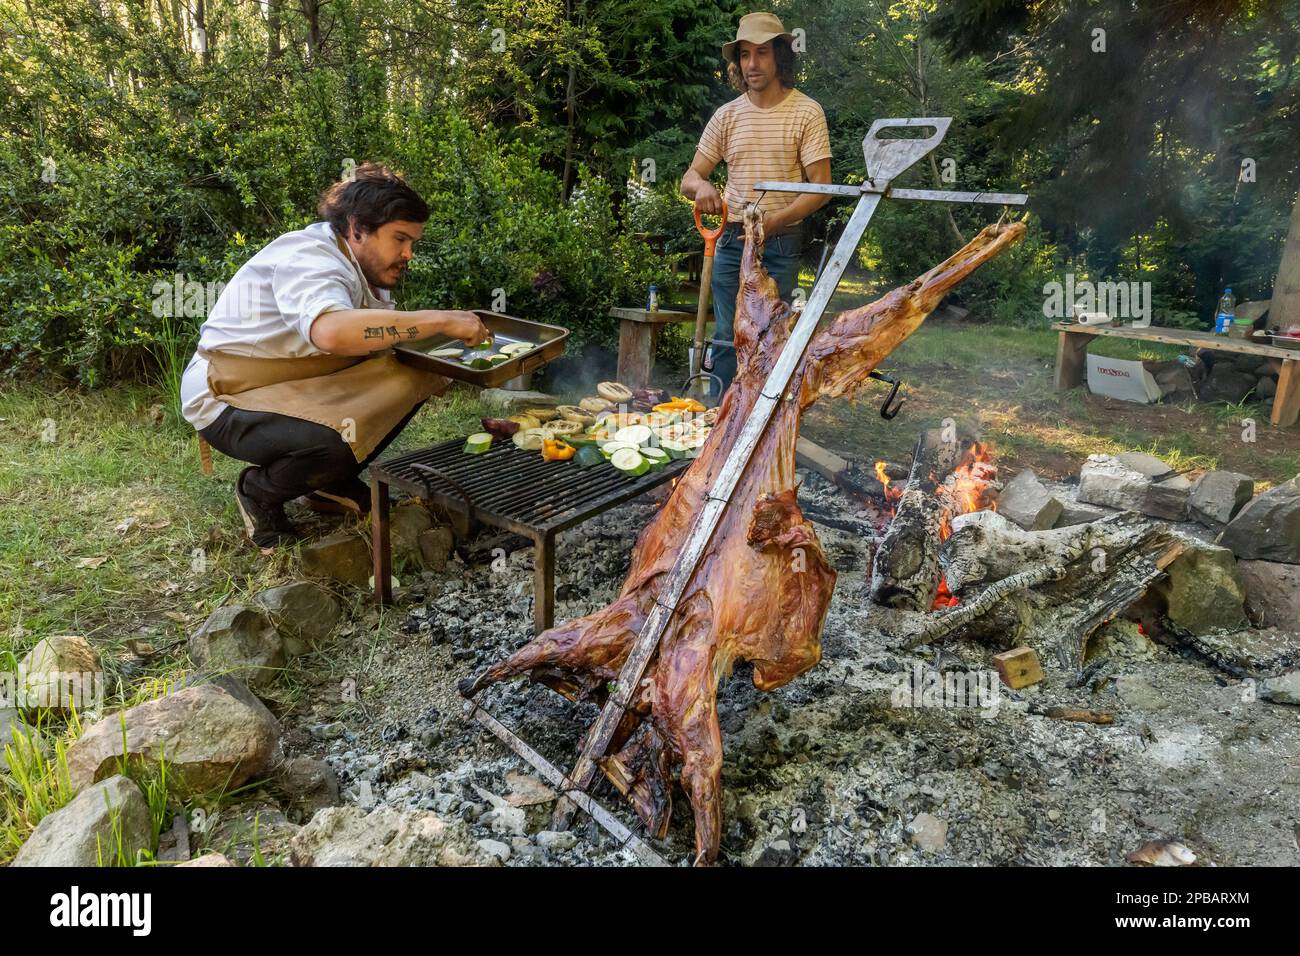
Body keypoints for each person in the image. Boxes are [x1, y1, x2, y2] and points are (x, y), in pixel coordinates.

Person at [180, 163, 489, 550]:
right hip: (227, 395)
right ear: (358, 228)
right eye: (400, 239)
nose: (409, 253)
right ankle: (258, 492)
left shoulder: (358, 264)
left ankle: (328, 486)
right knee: (331, 438)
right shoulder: (309, 258)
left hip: (293, 380)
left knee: (418, 374)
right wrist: (438, 320)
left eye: (413, 242)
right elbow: (329, 331)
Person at [680, 11, 833, 395]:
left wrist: (774, 222)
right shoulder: (727, 115)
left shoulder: (806, 111)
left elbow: (821, 188)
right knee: (727, 335)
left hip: (780, 245)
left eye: (761, 53)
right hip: (730, 241)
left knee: (772, 338)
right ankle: (719, 423)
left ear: (780, 56)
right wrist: (702, 189)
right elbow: (689, 178)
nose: (751, 64)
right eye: (744, 55)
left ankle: (763, 430)